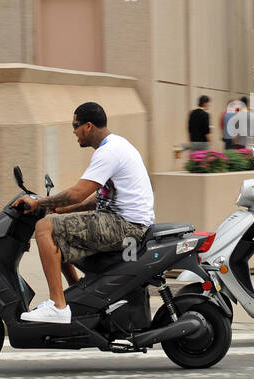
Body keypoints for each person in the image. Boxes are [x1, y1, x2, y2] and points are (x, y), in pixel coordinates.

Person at [14, 102, 155, 324]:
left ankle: (58, 306)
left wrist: (38, 203)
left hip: (125, 225)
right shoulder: (116, 145)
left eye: (75, 125)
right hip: (125, 222)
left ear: (88, 126)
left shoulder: (108, 152)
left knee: (44, 227)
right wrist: (63, 209)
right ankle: (77, 293)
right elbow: (98, 198)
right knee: (57, 228)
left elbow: (78, 193)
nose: (74, 131)